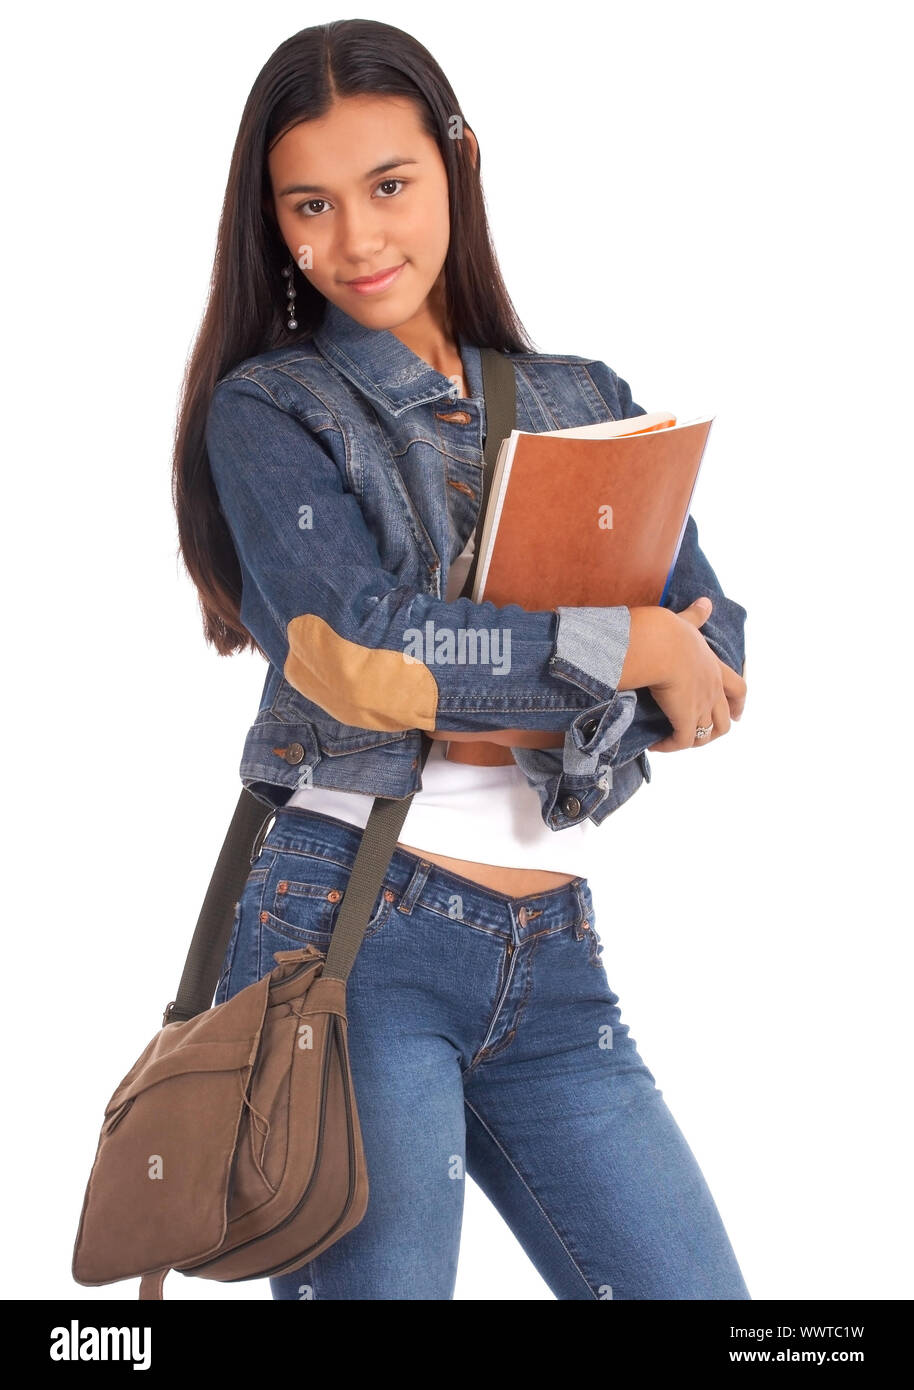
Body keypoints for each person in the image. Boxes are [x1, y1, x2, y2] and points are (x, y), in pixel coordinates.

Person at [174, 18, 751, 1300]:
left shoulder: (580, 397)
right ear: (272, 221)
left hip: (552, 954)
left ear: (456, 165)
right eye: (309, 206)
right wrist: (624, 650)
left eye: (388, 186)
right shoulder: (273, 409)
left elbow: (718, 649)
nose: (357, 240)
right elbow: (360, 652)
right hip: (350, 936)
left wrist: (640, 658)